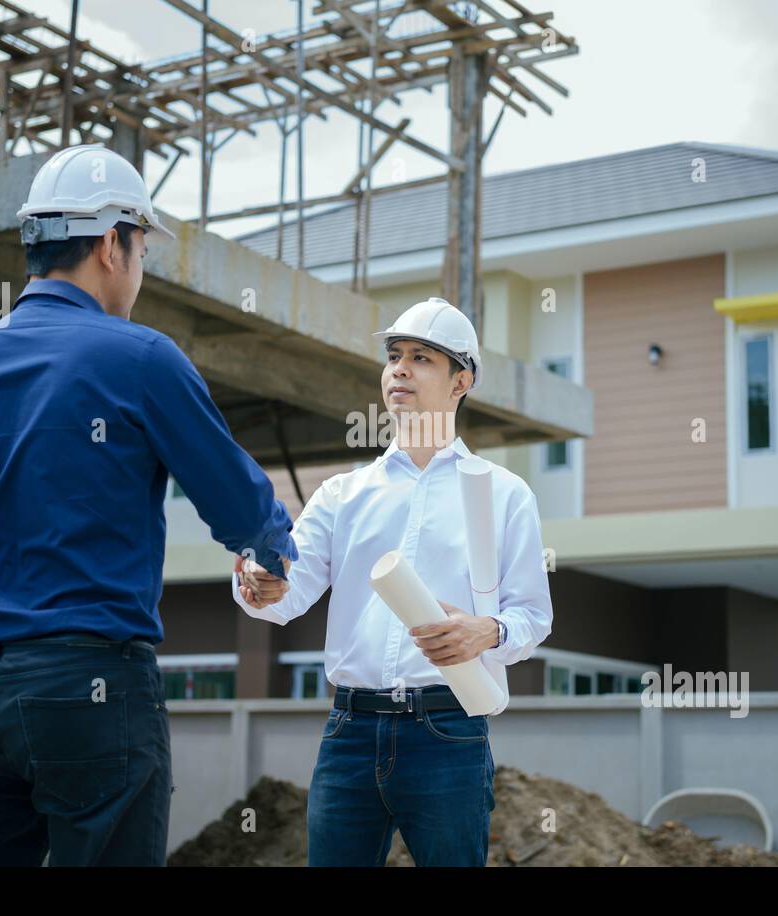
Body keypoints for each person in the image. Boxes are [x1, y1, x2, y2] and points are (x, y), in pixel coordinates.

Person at [0, 144, 295, 866]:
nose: (141, 268)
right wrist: (277, 552)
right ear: (108, 244)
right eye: (143, 247)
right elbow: (237, 505)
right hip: (89, 689)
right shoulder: (141, 357)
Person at [236, 297, 552, 866]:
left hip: (449, 731)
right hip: (350, 730)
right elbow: (287, 592)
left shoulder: (504, 495)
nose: (400, 369)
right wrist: (262, 584)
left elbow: (532, 615)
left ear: (463, 380)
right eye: (394, 355)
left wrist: (487, 631)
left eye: (422, 358)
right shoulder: (343, 494)